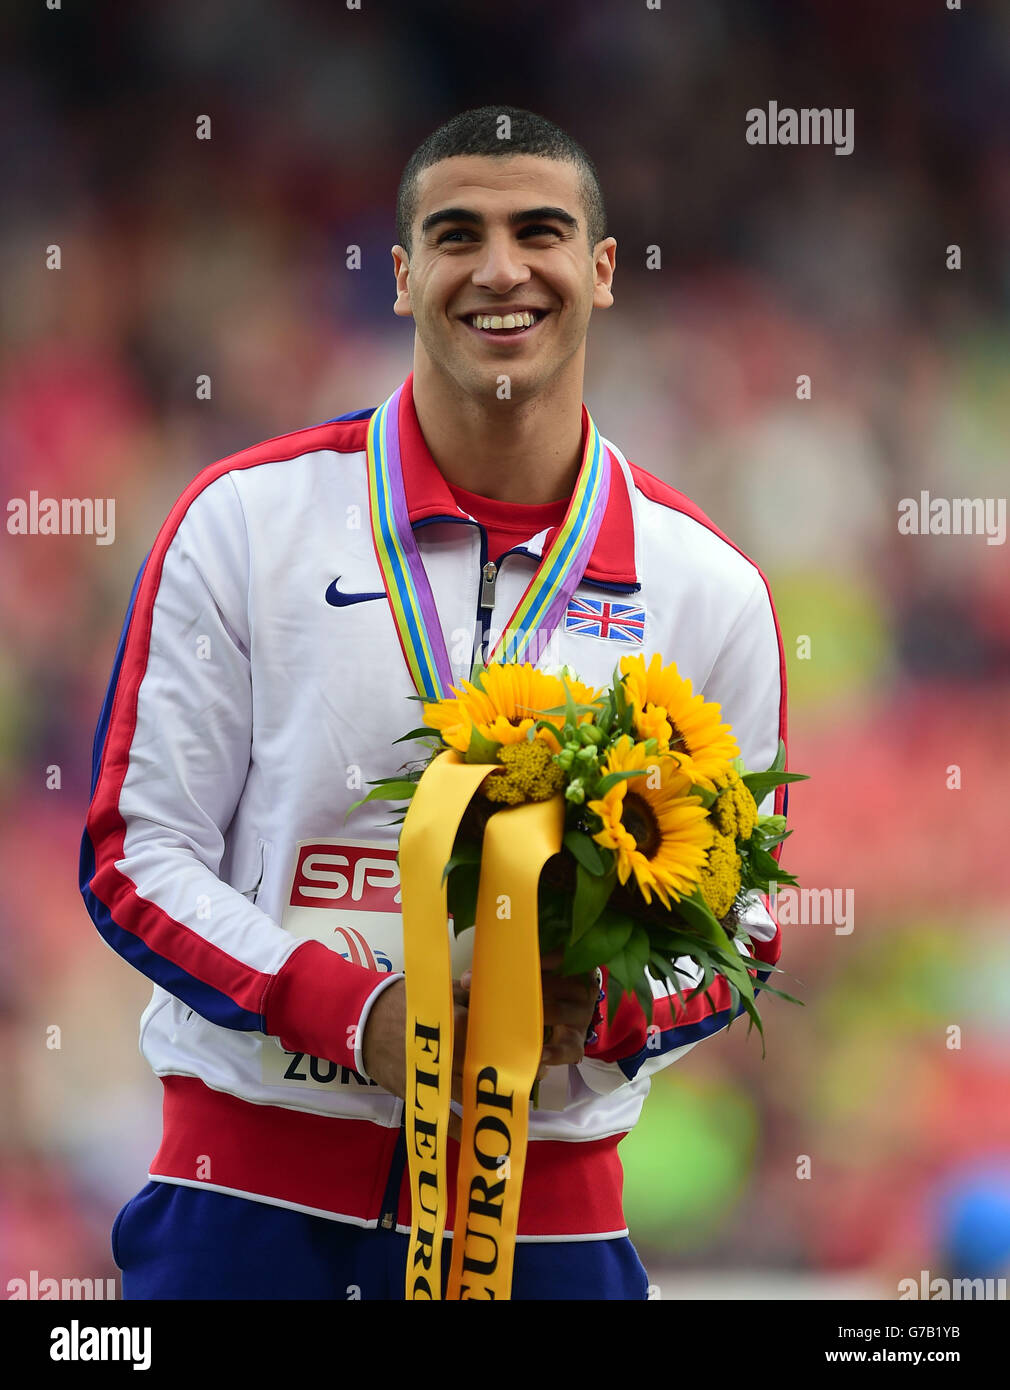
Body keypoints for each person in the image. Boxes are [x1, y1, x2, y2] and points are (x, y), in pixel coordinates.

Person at [80, 105, 787, 1301]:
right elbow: (134, 854)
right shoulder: (245, 523)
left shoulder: (705, 586)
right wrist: (358, 1014)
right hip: (246, 1209)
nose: (500, 269)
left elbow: (744, 930)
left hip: (548, 1223)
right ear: (404, 276)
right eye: (457, 235)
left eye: (540, 232)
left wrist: (599, 1010)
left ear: (601, 270)